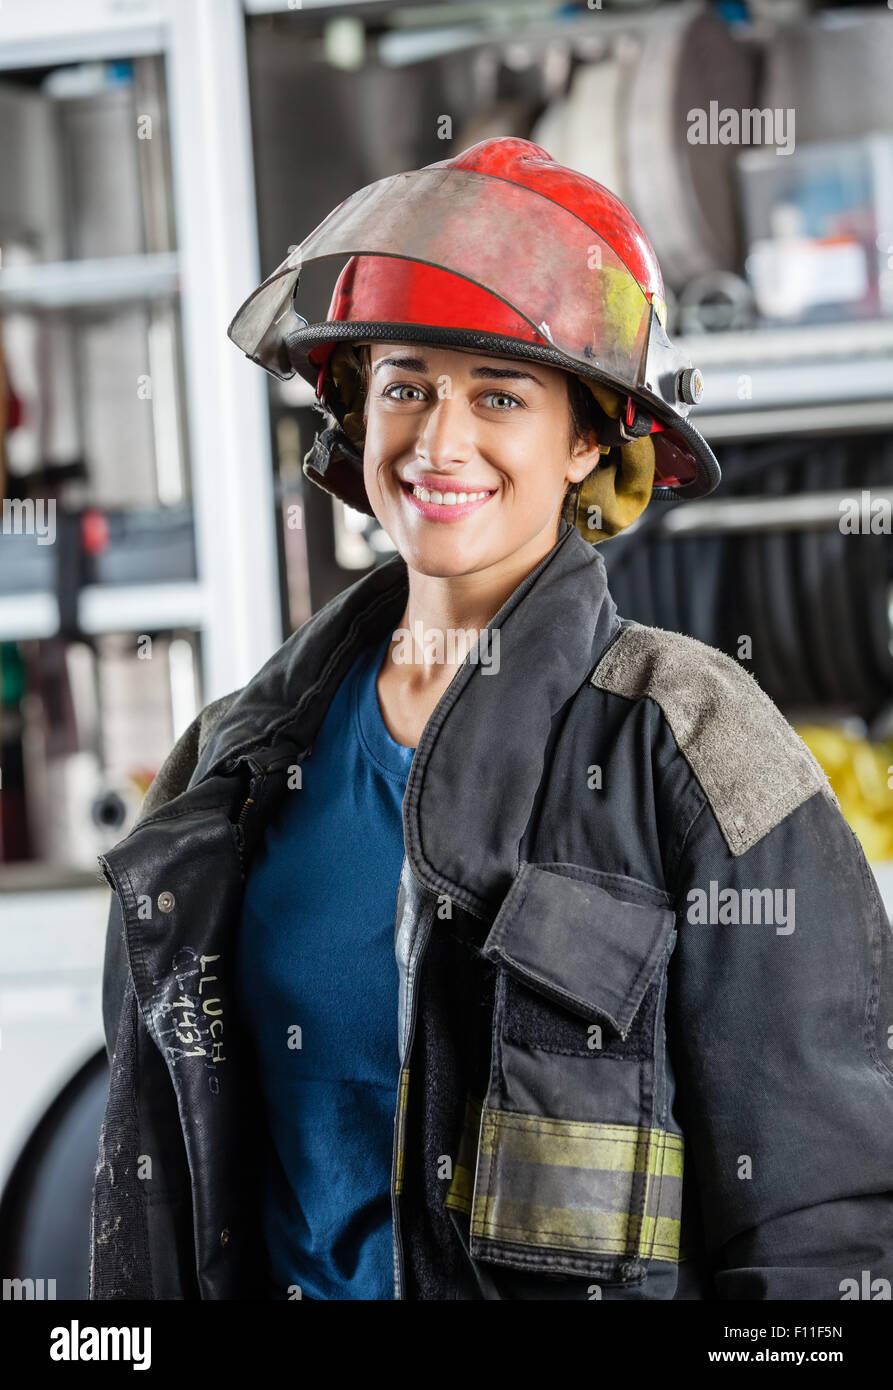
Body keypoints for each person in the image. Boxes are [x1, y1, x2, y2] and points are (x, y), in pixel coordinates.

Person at [90, 138, 893, 1301]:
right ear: (358, 412)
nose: (438, 441)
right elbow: (161, 1181)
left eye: (499, 395)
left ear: (585, 441)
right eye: (407, 384)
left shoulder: (696, 742)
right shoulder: (234, 762)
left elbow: (821, 1222)